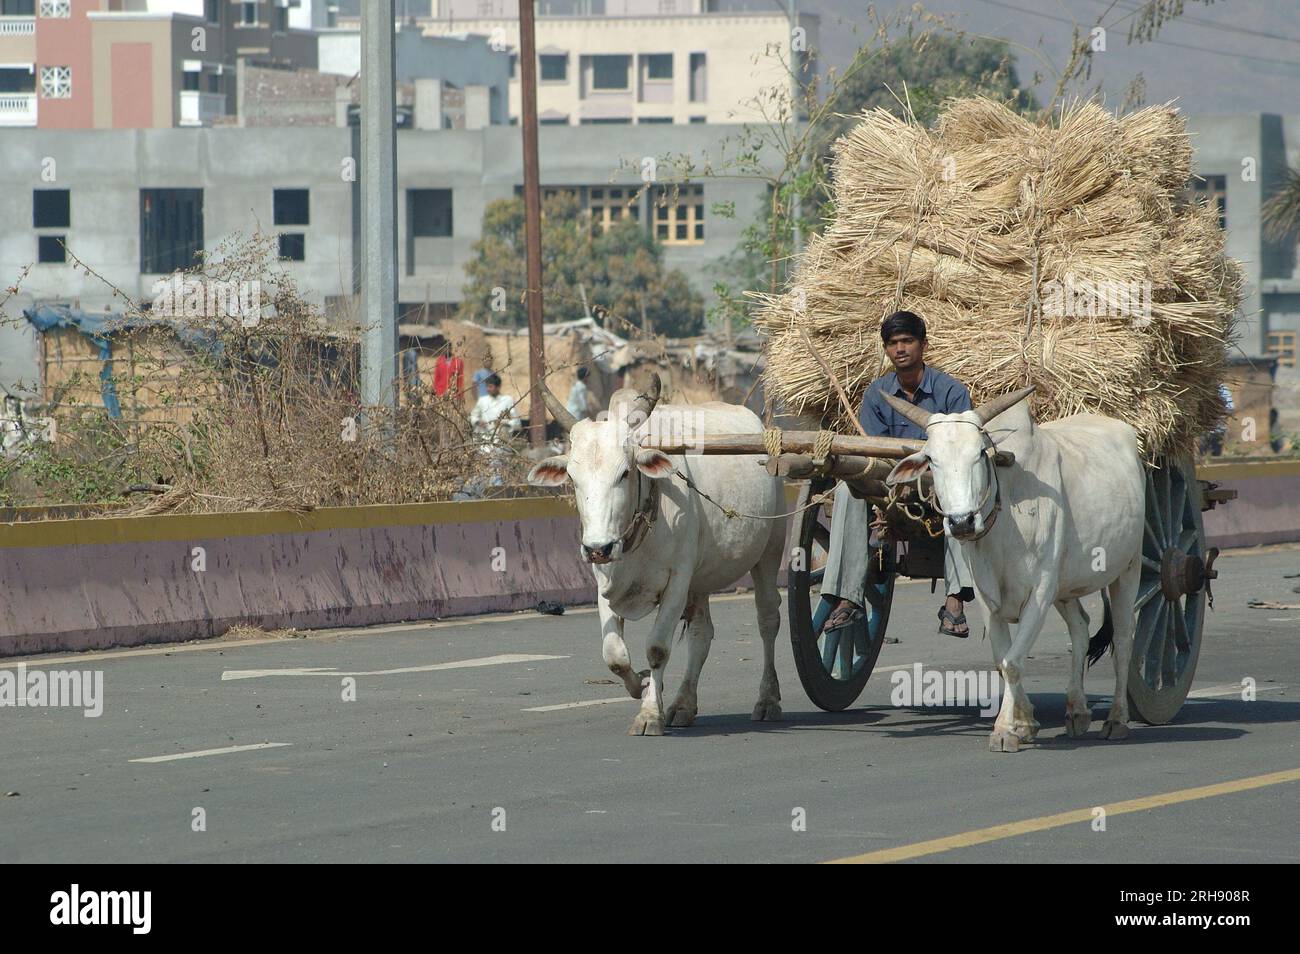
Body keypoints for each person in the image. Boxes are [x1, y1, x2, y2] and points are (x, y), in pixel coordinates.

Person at [819, 310, 977, 639]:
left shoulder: (951, 392)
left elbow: (961, 450)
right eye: (892, 343)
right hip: (892, 480)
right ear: (886, 349)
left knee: (961, 495)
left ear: (923, 346)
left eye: (907, 341)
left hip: (937, 478)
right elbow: (873, 451)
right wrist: (880, 500)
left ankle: (955, 599)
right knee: (849, 490)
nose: (900, 349)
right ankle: (848, 596)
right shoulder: (877, 393)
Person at [469, 373, 521, 485]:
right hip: (484, 442)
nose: (488, 389)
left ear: (497, 387)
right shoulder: (482, 401)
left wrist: (503, 423)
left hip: (501, 443)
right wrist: (478, 422)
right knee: (484, 472)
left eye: (490, 386)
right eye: (487, 386)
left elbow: (517, 422)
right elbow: (473, 416)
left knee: (498, 472)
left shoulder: (507, 400)